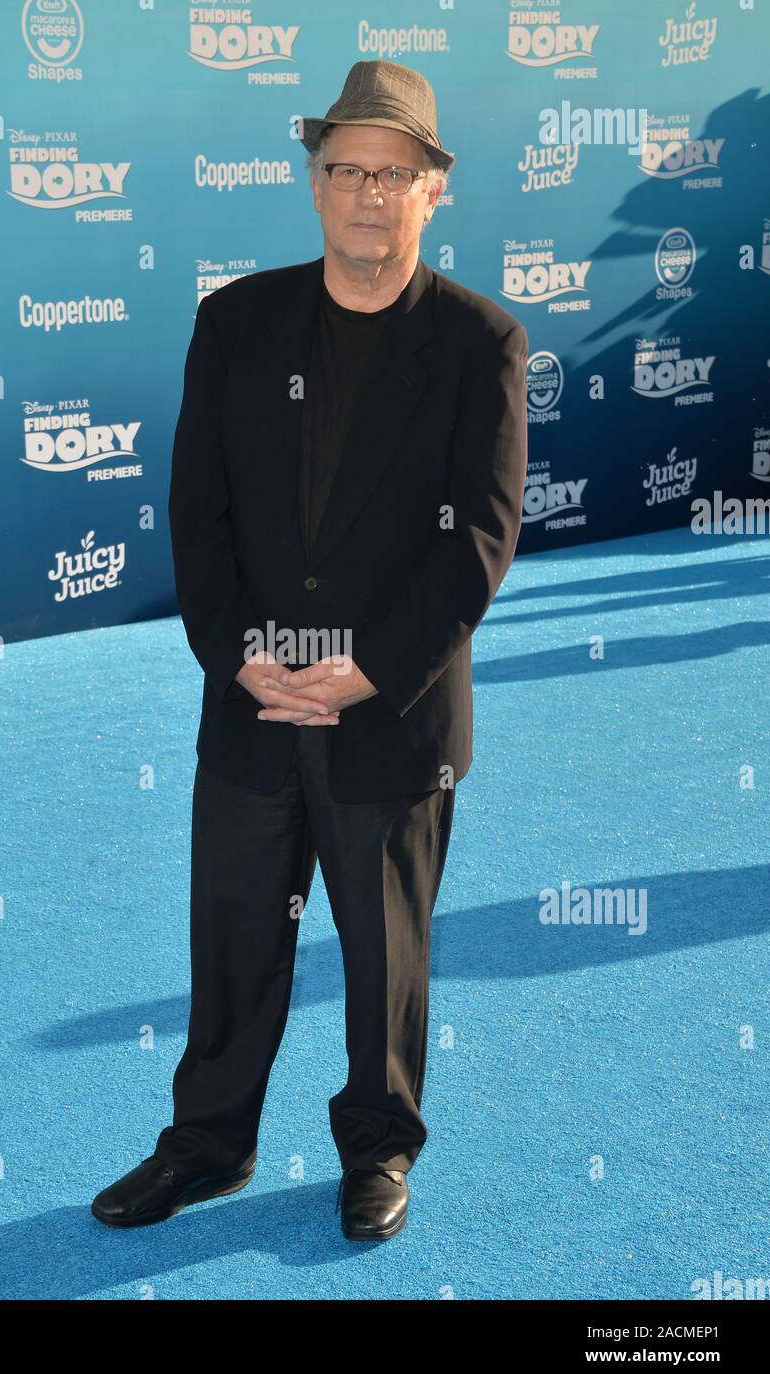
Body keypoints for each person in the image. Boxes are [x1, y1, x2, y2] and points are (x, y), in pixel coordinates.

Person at [92, 60, 528, 1241]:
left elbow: (475, 547)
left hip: (390, 711)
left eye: (393, 173)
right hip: (253, 698)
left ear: (432, 190)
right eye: (346, 169)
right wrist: (237, 654)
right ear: (314, 181)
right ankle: (207, 1146)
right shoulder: (234, 323)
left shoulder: (482, 343)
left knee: (387, 957)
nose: (367, 194)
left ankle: (378, 1148)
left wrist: (368, 669)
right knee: (232, 936)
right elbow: (199, 512)